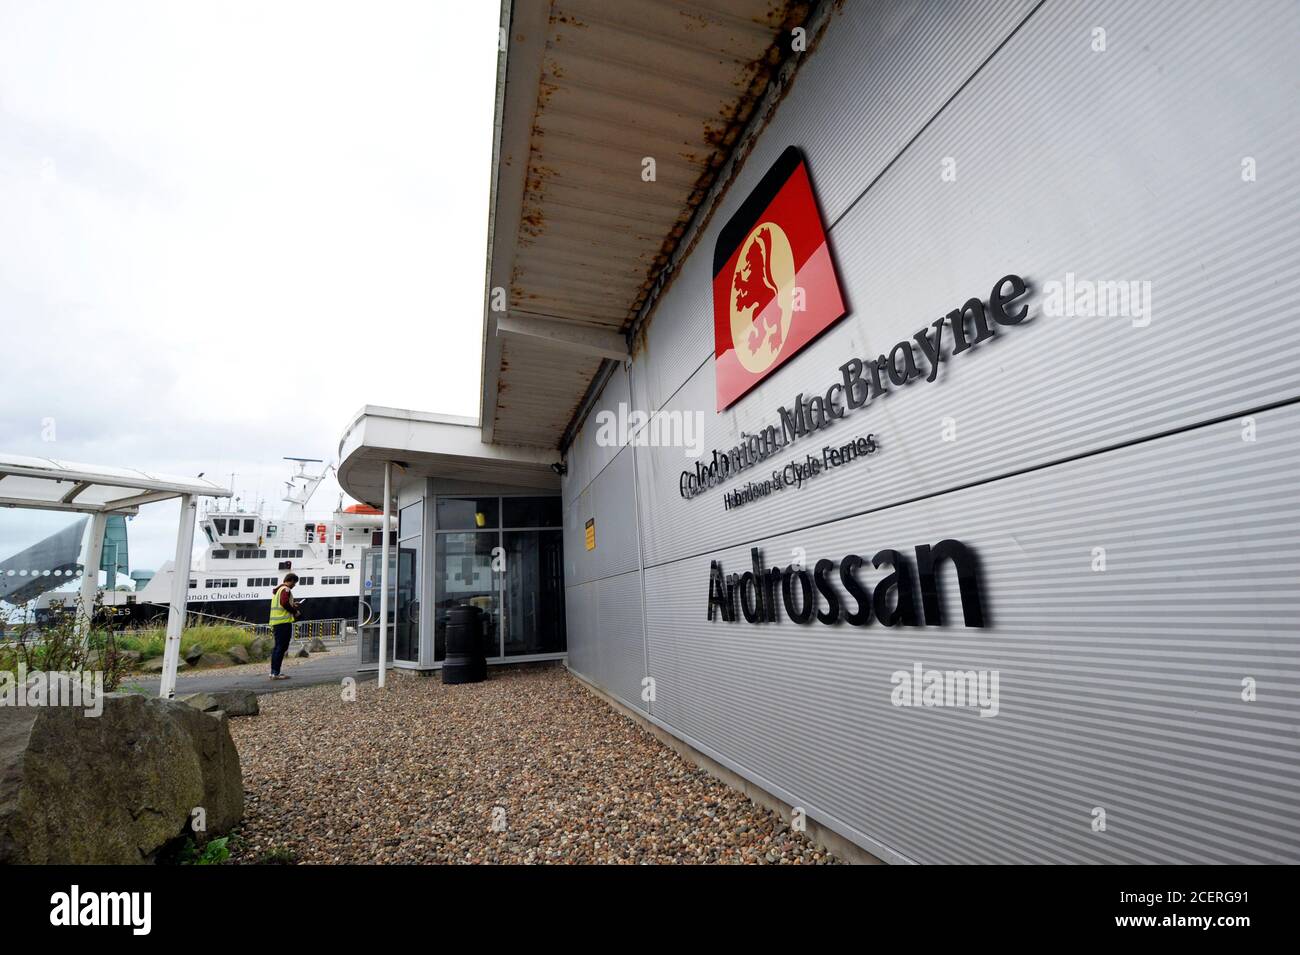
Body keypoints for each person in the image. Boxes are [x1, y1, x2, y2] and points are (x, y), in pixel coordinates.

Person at [268, 572, 301, 680]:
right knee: (281, 647)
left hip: (277, 622)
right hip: (283, 622)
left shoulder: (278, 591)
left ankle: (273, 672)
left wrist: (293, 605)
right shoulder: (286, 589)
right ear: (290, 580)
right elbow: (284, 603)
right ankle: (276, 673)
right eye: (294, 583)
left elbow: (283, 603)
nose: (294, 585)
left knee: (278, 647)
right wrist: (294, 611)